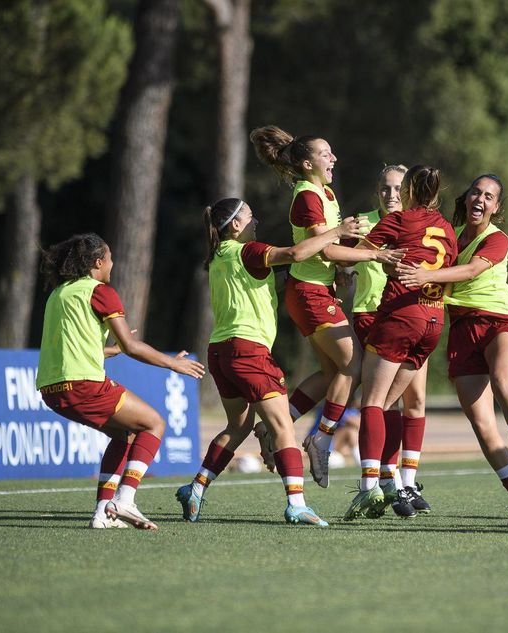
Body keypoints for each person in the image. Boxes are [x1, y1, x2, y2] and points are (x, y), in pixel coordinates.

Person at [174, 198, 366, 526]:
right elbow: (293, 254)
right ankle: (296, 505)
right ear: (235, 225)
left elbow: (265, 282)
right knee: (283, 429)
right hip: (249, 352)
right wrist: (337, 231)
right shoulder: (247, 251)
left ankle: (196, 487)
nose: (256, 220)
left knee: (239, 426)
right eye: (250, 215)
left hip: (220, 351)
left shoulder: (219, 256)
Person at [249, 125, 403, 488]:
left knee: (335, 374)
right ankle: (322, 437)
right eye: (325, 154)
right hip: (309, 292)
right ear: (306, 164)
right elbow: (327, 247)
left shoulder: (326, 193)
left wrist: (344, 268)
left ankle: (275, 425)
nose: (333, 158)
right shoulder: (307, 196)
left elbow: (330, 252)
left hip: (318, 290)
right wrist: (374, 254)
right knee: (355, 365)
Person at [398, 174, 508, 527]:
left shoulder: (497, 239)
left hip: (498, 322)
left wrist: (427, 278)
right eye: (476, 192)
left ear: (496, 208)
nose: (481, 199)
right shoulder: (450, 238)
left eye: (489, 196)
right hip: (463, 330)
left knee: (502, 380)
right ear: (466, 199)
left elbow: (471, 271)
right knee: (481, 423)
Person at [36, 233, 205, 529]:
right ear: (98, 262)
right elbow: (132, 345)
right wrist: (172, 363)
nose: (113, 264)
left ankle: (103, 513)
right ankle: (125, 500)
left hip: (52, 390)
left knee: (123, 435)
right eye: (110, 258)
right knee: (154, 423)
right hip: (83, 384)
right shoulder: (100, 291)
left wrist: (109, 350)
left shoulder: (59, 293)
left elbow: (73, 345)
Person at [343, 164, 457, 521]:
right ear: (436, 195)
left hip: (400, 317)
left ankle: (368, 488)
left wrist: (351, 251)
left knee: (372, 403)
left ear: (408, 191)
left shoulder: (399, 220)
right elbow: (436, 269)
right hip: (434, 319)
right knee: (391, 403)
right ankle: (395, 482)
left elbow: (352, 255)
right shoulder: (448, 230)